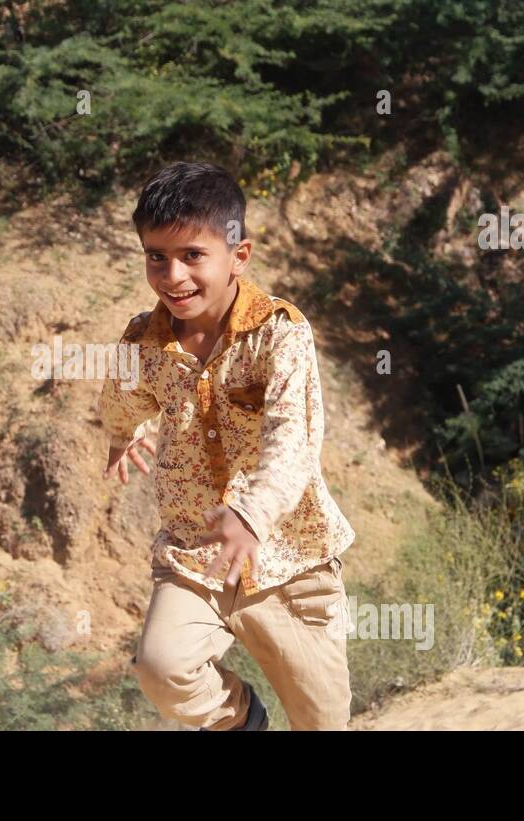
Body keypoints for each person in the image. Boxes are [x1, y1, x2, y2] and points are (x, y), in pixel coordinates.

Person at [98, 161, 355, 730]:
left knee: (324, 723)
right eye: (156, 256)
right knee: (162, 667)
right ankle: (243, 723)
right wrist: (123, 433)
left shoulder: (279, 332)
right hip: (196, 559)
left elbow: (296, 439)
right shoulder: (142, 340)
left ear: (238, 255)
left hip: (290, 563)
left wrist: (252, 513)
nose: (172, 275)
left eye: (192, 255)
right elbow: (119, 402)